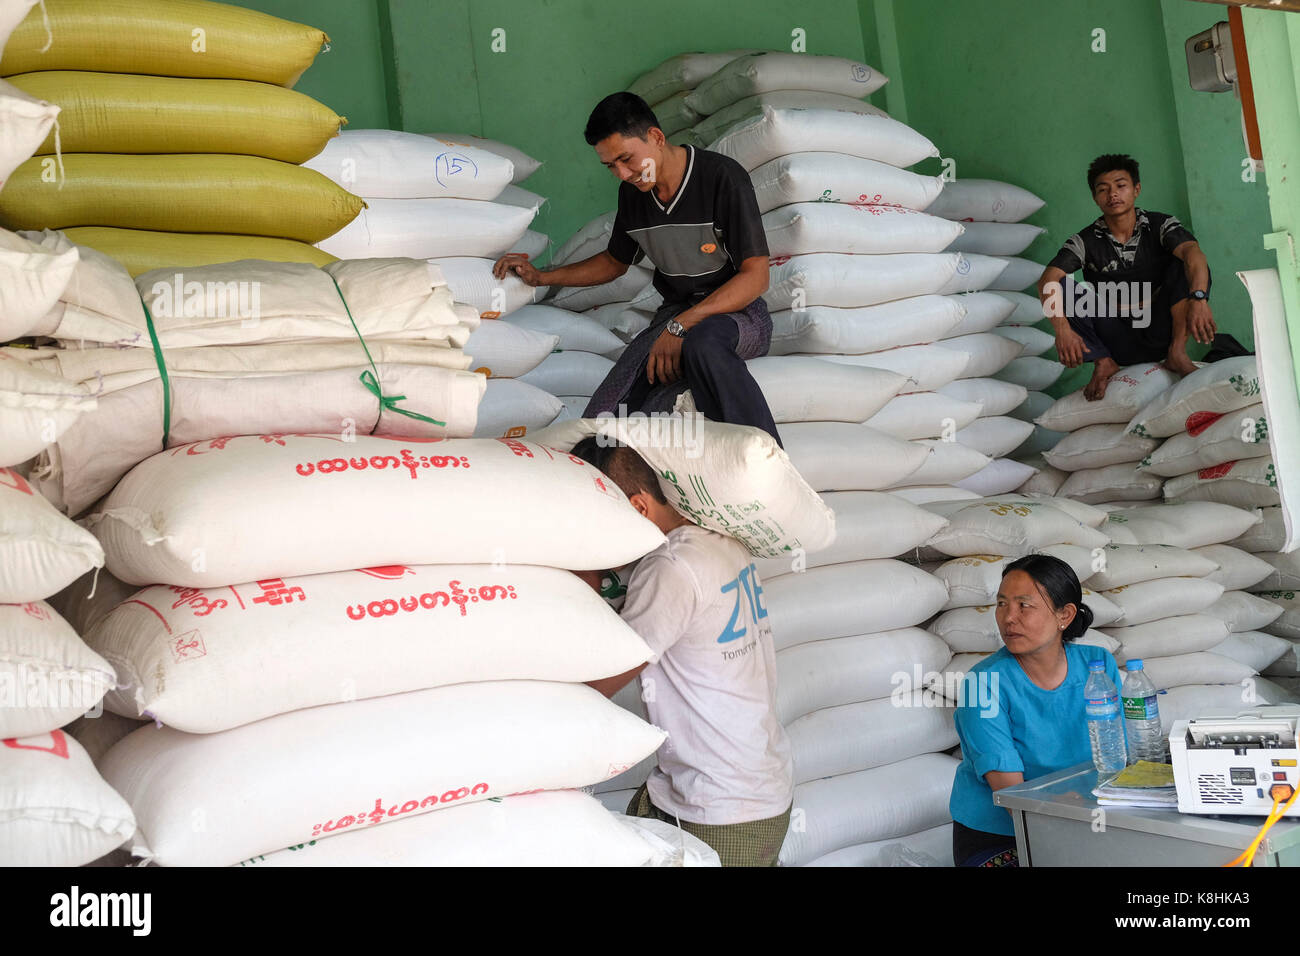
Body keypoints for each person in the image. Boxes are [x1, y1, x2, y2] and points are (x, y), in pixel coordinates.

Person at [492, 92, 781, 444]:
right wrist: (542, 276)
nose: (622, 174)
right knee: (604, 417)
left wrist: (680, 327)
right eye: (610, 166)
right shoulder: (634, 196)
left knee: (702, 344)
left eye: (626, 159)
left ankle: (768, 457)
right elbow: (614, 263)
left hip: (740, 315)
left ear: (656, 138)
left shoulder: (722, 179)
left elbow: (756, 276)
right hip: (675, 316)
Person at [571, 437, 793, 867]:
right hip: (740, 784)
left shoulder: (670, 567)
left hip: (718, 805)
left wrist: (583, 564)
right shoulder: (720, 541)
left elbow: (603, 679)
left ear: (638, 507)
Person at [948, 554, 1121, 867]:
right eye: (1002, 604)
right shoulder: (983, 683)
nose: (1009, 618)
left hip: (1085, 820)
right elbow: (1014, 797)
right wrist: (1072, 810)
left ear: (1064, 615)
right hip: (1002, 836)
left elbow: (1118, 753)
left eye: (1024, 605)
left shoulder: (1098, 665)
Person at [1038, 154, 1217, 401]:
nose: (1113, 194)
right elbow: (1048, 279)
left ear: (1136, 189)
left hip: (1162, 329)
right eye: (1103, 189)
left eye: (1121, 186)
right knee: (1057, 284)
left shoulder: (1160, 225)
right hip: (1117, 336)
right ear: (1095, 198)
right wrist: (1062, 330)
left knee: (1188, 262)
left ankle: (1177, 352)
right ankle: (1103, 362)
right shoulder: (1085, 241)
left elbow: (1192, 253)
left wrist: (1199, 299)